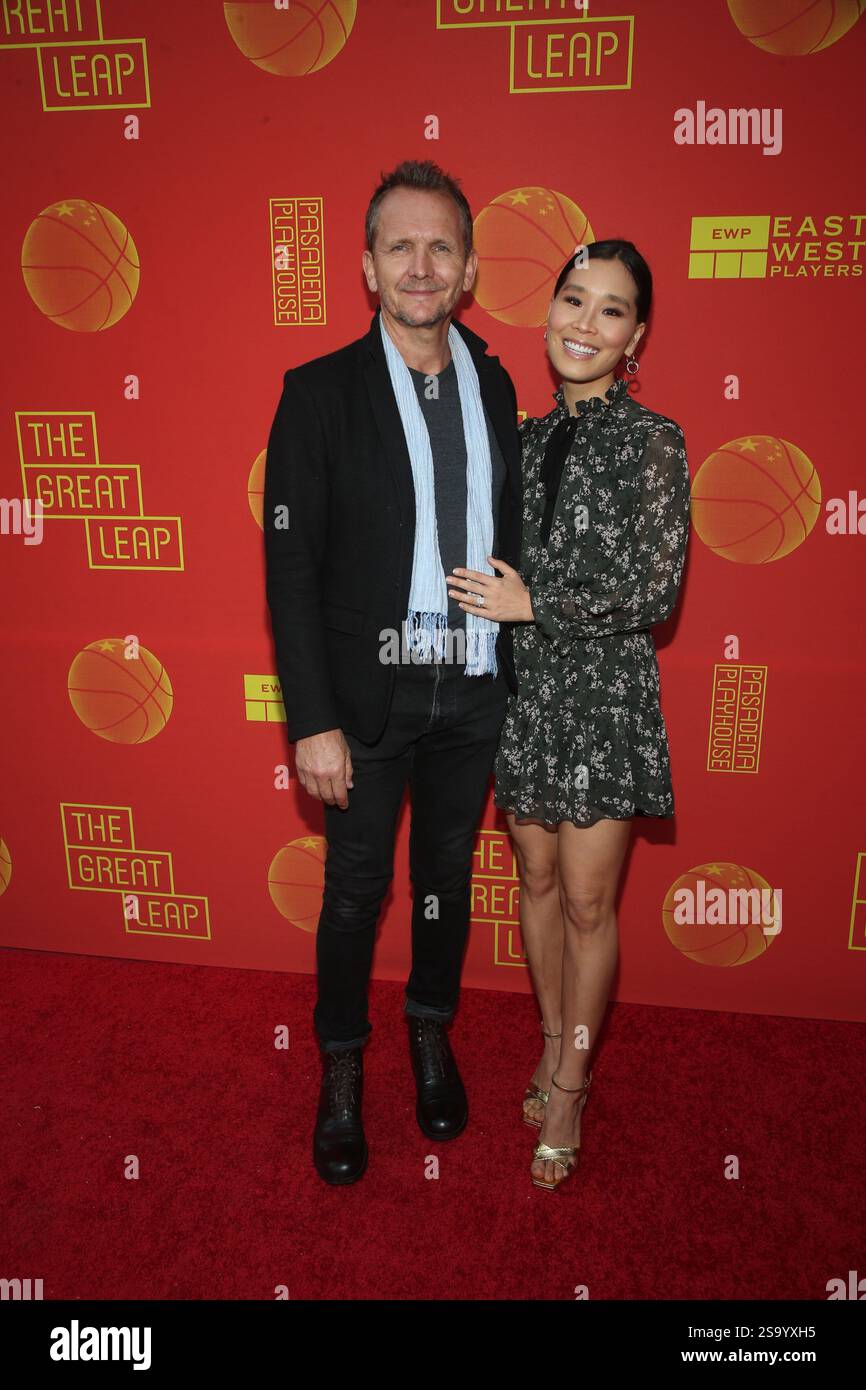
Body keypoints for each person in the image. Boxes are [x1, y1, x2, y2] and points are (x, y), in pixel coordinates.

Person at [263, 159, 523, 1185]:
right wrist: (311, 719)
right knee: (352, 892)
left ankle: (427, 1030)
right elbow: (290, 567)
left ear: (465, 269)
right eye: (400, 245)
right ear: (368, 266)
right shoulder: (317, 392)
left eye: (441, 245)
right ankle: (339, 1067)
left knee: (443, 881)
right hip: (367, 691)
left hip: (471, 685)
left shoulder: (495, 380)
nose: (422, 265)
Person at [445, 241, 691, 1191]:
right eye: (574, 301)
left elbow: (655, 589)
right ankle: (552, 1044)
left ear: (637, 336)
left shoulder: (655, 441)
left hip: (604, 699)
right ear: (547, 312)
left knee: (589, 902)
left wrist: (535, 604)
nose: (585, 325)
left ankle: (574, 1085)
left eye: (613, 311)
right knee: (536, 883)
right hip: (524, 695)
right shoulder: (524, 436)